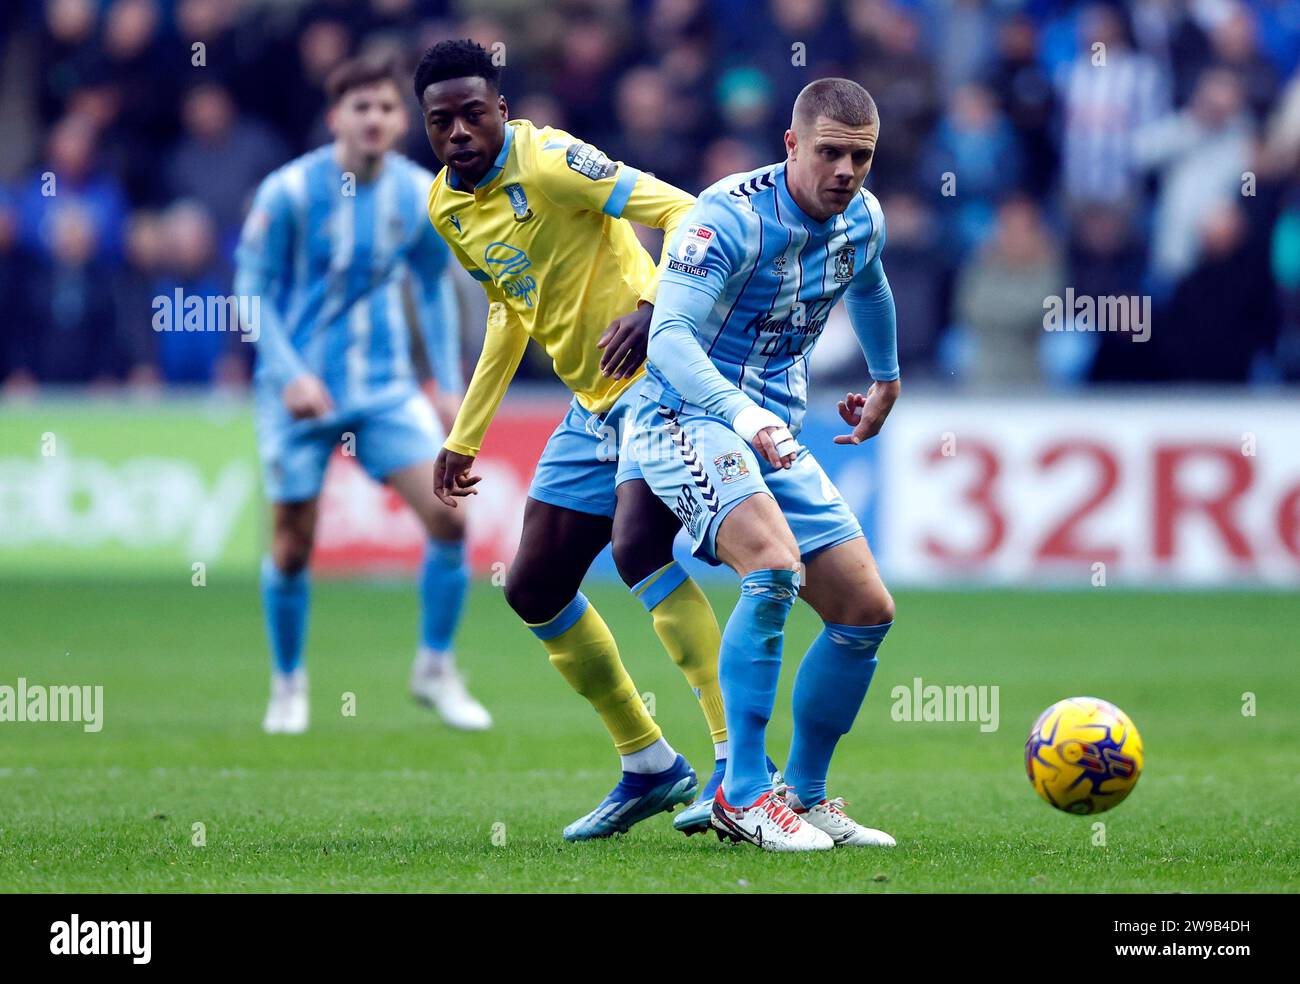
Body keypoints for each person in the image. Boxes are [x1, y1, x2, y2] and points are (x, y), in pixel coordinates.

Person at [416, 39, 752, 841]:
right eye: (441, 122)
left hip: (656, 378)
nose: (459, 131)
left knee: (640, 552)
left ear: (501, 107)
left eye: (472, 113)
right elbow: (509, 308)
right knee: (534, 587)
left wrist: (654, 310)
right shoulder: (447, 207)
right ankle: (648, 763)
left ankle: (738, 767)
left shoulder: (553, 160)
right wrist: (466, 434)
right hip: (589, 401)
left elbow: (686, 212)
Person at [618, 78, 900, 851]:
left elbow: (869, 282)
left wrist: (886, 375)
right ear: (791, 145)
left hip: (772, 431)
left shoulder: (862, 219)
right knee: (772, 569)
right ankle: (741, 794)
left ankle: (802, 797)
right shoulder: (726, 219)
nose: (846, 172)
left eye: (861, 158)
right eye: (830, 153)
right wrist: (741, 415)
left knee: (865, 612)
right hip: (682, 417)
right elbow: (669, 339)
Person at [234, 57, 488, 734]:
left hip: (382, 390)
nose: (374, 119)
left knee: (450, 516)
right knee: (291, 546)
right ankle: (289, 683)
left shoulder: (418, 194)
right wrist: (288, 373)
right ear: (335, 118)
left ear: (401, 121)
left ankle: (435, 668)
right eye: (361, 108)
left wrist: (446, 382)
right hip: (299, 395)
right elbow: (249, 294)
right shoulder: (287, 193)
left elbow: (434, 285)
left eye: (385, 108)